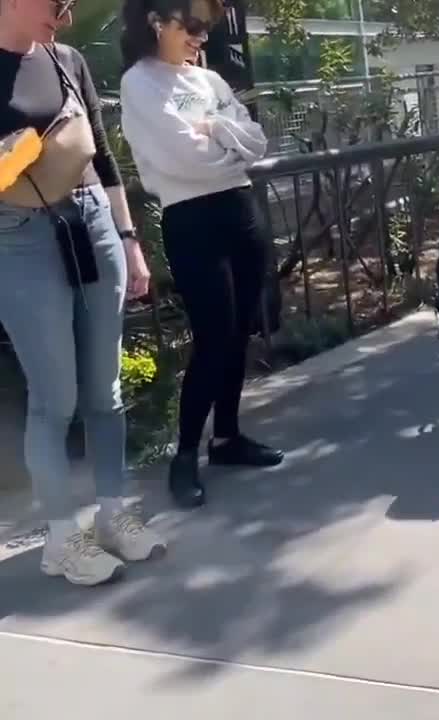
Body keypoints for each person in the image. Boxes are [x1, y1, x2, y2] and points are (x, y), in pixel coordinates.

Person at [0, 0, 165, 586]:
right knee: (54, 400)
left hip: (93, 221)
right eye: (56, 5)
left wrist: (129, 239)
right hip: (18, 238)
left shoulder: (65, 59)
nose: (65, 16)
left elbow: (105, 155)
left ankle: (114, 517)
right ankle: (61, 538)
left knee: (105, 388)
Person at [119, 0, 283, 509]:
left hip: (241, 211)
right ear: (156, 22)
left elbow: (255, 142)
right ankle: (185, 453)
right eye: (191, 27)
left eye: (204, 30)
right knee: (212, 338)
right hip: (191, 218)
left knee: (239, 332)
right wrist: (221, 140)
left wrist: (217, 133)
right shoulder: (140, 83)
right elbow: (182, 159)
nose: (200, 39)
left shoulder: (208, 83)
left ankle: (227, 437)